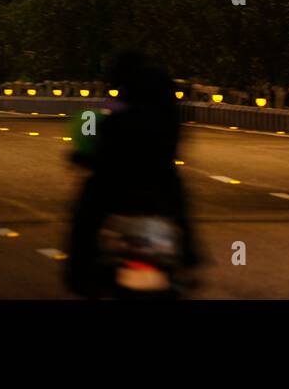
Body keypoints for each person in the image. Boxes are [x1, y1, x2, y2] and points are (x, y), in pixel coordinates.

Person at [64, 50, 200, 297]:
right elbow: (176, 134)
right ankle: (191, 256)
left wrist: (84, 158)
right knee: (180, 204)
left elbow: (108, 143)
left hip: (119, 181)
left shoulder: (124, 102)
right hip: (161, 176)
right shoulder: (162, 88)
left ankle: (77, 272)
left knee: (85, 215)